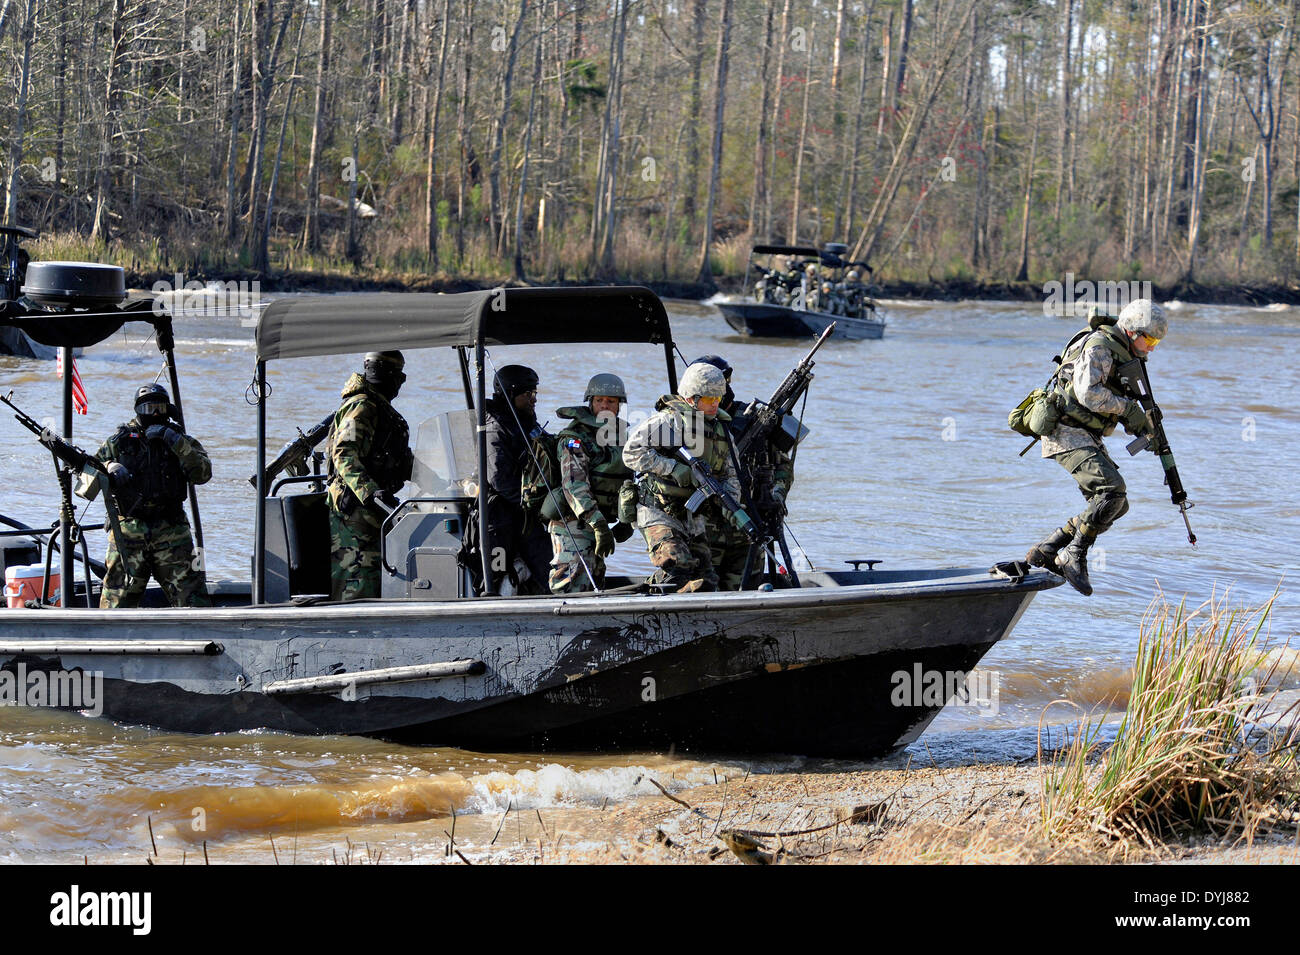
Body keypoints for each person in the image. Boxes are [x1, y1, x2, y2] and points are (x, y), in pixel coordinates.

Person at [1024, 299, 1168, 596]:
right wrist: (1129, 410)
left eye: (1157, 341)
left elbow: (1116, 403)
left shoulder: (1123, 353)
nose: (1152, 347)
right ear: (1132, 331)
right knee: (1112, 491)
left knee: (1116, 505)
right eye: (1150, 339)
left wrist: (1145, 429)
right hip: (1065, 431)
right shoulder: (1101, 345)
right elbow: (1087, 393)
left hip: (1084, 433)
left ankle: (1047, 549)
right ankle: (1074, 554)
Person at [78, 383, 211, 608]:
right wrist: (109, 466)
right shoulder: (119, 441)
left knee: (193, 601)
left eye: (160, 407)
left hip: (172, 533)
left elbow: (203, 473)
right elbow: (87, 471)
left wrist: (174, 441)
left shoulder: (180, 440)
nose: (156, 414)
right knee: (116, 605)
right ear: (139, 410)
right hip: (128, 534)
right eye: (150, 408)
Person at [623, 362, 752, 593]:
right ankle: (651, 595)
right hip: (658, 510)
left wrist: (731, 505)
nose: (715, 404)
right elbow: (631, 453)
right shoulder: (667, 421)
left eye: (718, 399)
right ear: (691, 398)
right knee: (677, 561)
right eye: (709, 399)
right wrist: (672, 468)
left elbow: (731, 473)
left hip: (693, 517)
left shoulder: (721, 431)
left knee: (707, 581)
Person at [692, 355, 794, 590]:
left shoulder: (754, 421)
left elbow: (783, 467)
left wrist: (775, 497)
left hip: (749, 526)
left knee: (748, 589)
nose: (719, 391)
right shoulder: (688, 422)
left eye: (723, 382)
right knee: (703, 590)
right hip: (706, 528)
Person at [325, 350, 412, 601]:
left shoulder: (381, 409)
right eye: (399, 377)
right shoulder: (362, 406)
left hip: (377, 510)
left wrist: (440, 477)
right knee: (358, 584)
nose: (400, 384)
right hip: (355, 513)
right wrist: (369, 491)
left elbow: (400, 459)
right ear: (387, 374)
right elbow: (343, 453)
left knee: (379, 580)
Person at [546, 373, 635, 593]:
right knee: (570, 587)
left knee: (594, 586)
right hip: (573, 525)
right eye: (599, 400)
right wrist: (599, 524)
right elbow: (574, 486)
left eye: (611, 401)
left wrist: (627, 519)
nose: (605, 405)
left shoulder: (620, 437)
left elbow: (629, 481)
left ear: (619, 405)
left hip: (599, 525)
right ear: (590, 401)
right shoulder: (575, 437)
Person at [482, 363, 553, 594]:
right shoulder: (496, 428)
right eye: (527, 394)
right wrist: (535, 506)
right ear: (509, 394)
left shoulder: (525, 420)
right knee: (545, 566)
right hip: (507, 514)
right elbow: (499, 480)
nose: (534, 399)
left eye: (535, 393)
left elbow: (546, 443)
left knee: (547, 565)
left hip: (527, 510)